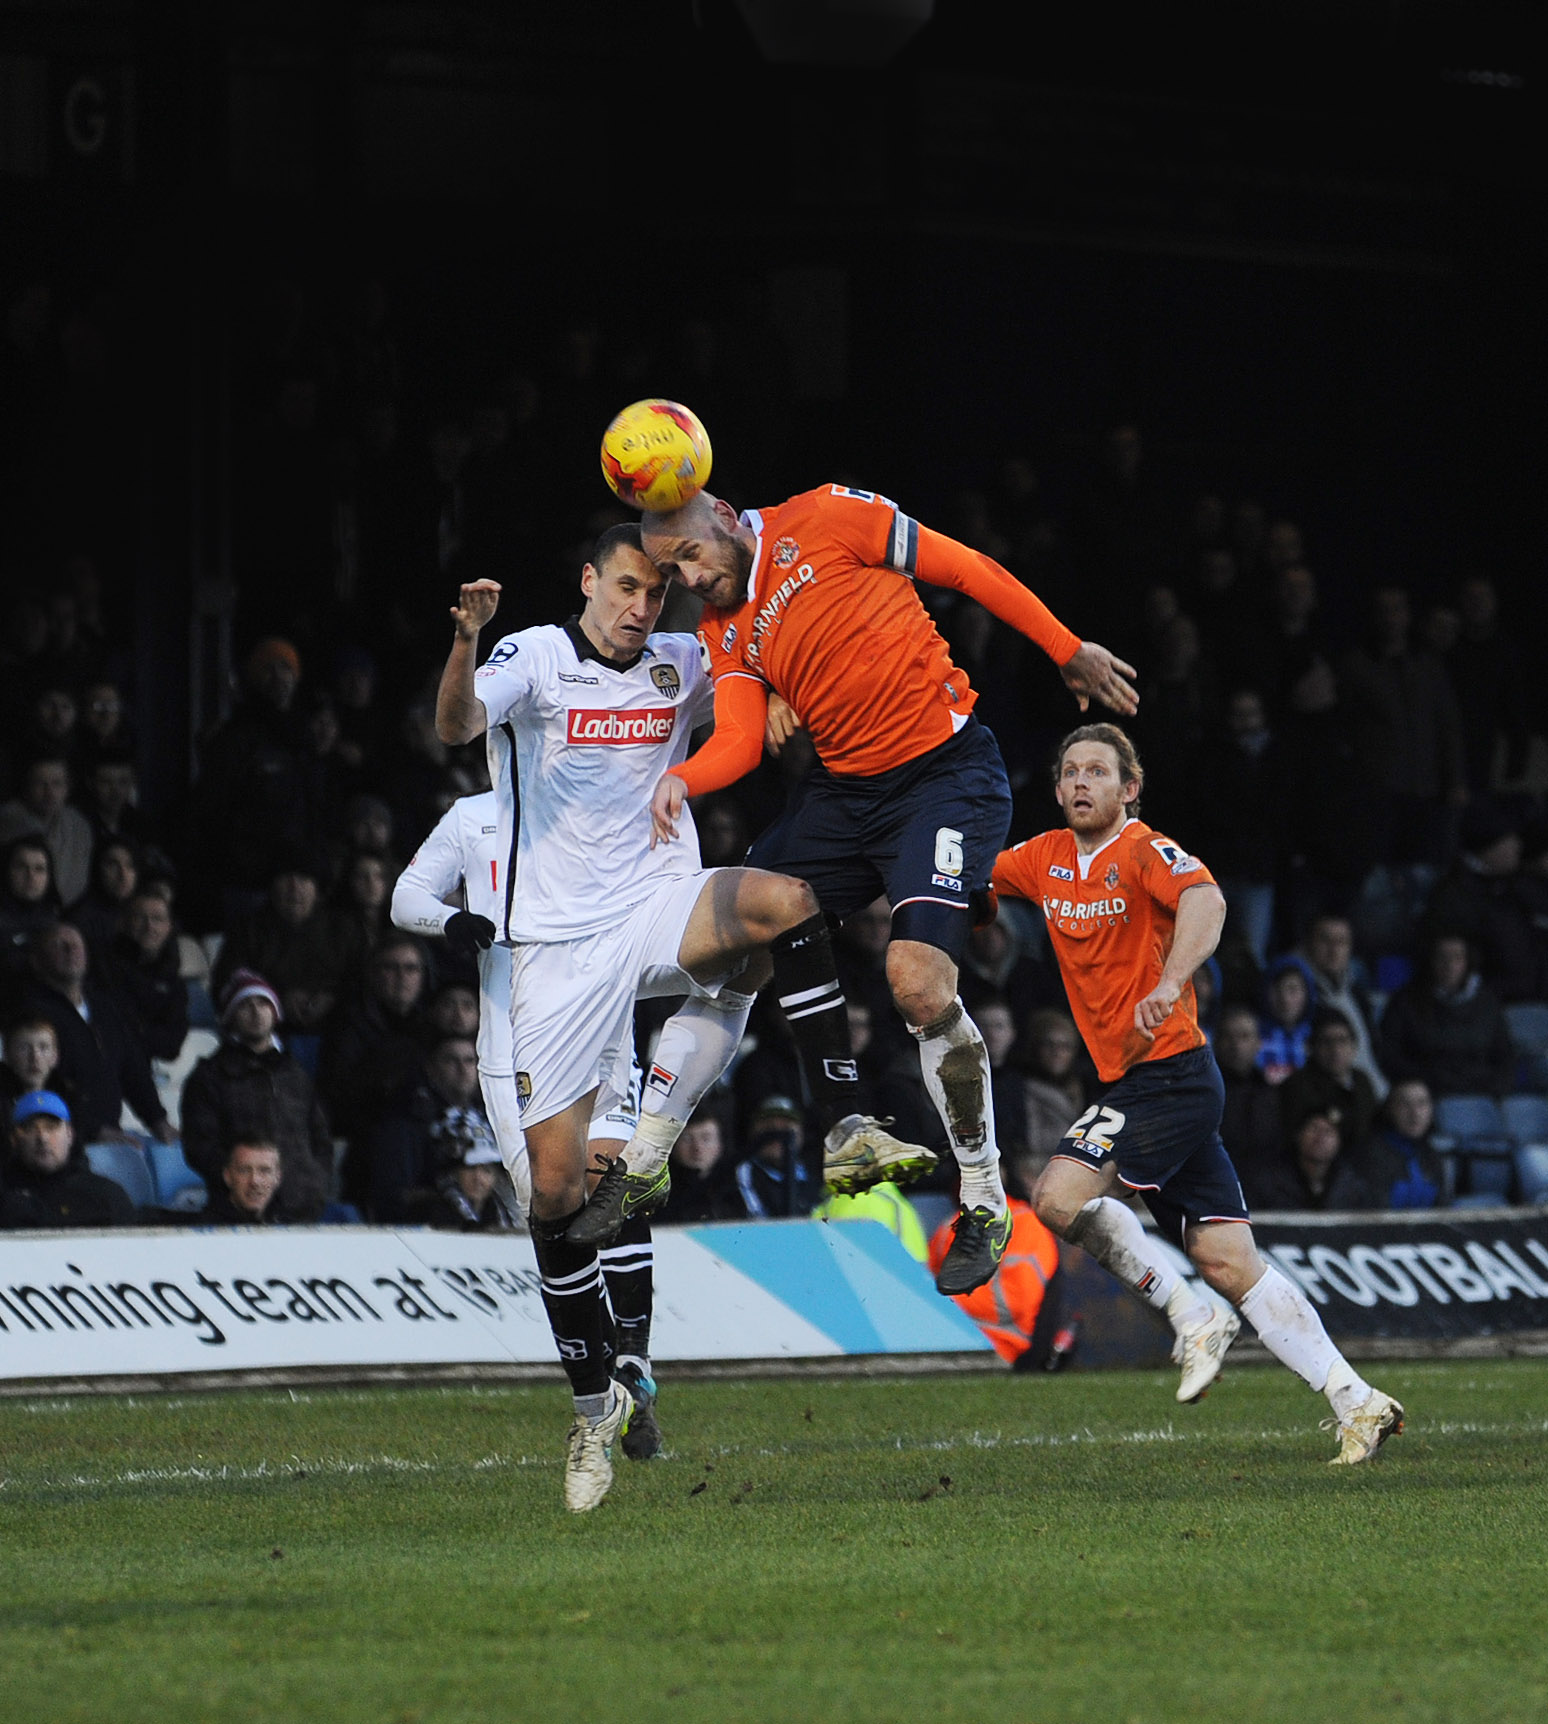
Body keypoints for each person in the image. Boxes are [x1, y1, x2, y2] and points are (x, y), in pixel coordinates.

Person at [433, 524, 919, 1511]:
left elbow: (766, 683)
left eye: (656, 592)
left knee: (783, 901)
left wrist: (785, 700)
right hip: (556, 953)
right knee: (561, 1198)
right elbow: (452, 728)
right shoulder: (531, 655)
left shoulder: (687, 660)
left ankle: (837, 1117)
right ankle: (593, 1406)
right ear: (586, 579)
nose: (640, 607)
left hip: (654, 905)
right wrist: (464, 643)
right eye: (624, 587)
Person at [641, 480, 1138, 1297]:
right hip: (847, 795)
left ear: (724, 519)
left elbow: (969, 569)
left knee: (914, 982)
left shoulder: (828, 515)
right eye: (671, 572)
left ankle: (982, 1198)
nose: (688, 578)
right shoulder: (724, 627)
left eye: (690, 555)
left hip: (945, 778)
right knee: (742, 933)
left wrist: (1064, 647)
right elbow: (736, 739)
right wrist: (683, 781)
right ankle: (657, 1151)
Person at [991, 723, 1403, 1463]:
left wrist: (1171, 981)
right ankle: (1357, 1400)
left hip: (1172, 1074)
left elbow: (1207, 903)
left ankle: (1188, 1314)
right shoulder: (1041, 859)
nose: (1082, 782)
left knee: (1055, 1197)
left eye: (1098, 771)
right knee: (1228, 1257)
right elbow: (964, 880)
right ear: (1056, 789)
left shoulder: (1145, 850)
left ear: (1130, 787)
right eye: (1070, 772)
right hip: (1137, 1082)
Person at [392, 791, 660, 1403]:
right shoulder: (470, 816)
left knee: (608, 1179)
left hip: (600, 1030)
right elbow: (405, 899)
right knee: (550, 1208)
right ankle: (599, 1383)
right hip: (511, 1043)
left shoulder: (603, 801)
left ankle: (635, 1361)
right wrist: (452, 920)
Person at [179, 969, 332, 1220]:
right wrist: (243, 1185)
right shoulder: (210, 1076)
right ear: (230, 1016)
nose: (256, 1012)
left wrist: (315, 1180)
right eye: (245, 1005)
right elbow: (200, 1145)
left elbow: (320, 1136)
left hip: (303, 1209)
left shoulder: (294, 1072)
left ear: (274, 1011)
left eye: (263, 1002)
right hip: (240, 1215)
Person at [0, 1090, 136, 1229]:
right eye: (30, 1128)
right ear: (14, 1139)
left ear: (70, 1134)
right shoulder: (4, 1195)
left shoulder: (105, 1194)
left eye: (51, 1127)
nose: (43, 1138)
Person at [203, 1138, 285, 1225]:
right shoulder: (201, 1229)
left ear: (278, 1177)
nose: (255, 1181)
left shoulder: (294, 1227)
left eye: (264, 1171)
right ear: (227, 1176)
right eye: (244, 1170)